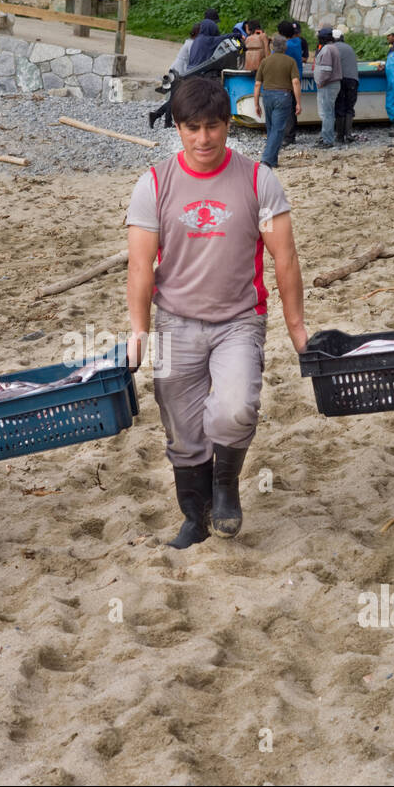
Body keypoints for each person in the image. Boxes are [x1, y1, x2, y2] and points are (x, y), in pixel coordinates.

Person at [124, 77, 309, 548]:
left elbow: (284, 257)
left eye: (212, 126)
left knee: (236, 409)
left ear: (230, 125)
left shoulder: (257, 179)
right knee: (183, 432)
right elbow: (141, 265)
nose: (203, 138)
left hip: (238, 321)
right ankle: (195, 516)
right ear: (178, 128)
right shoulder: (154, 184)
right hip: (174, 322)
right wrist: (139, 331)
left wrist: (298, 329)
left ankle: (226, 486)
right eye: (192, 127)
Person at [253, 36, 302, 169]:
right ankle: (266, 159)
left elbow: (258, 84)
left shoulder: (265, 61)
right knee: (278, 129)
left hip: (267, 95)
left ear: (273, 47)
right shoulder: (290, 61)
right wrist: (298, 102)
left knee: (270, 128)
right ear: (285, 47)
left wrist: (256, 103)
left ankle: (272, 161)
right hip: (283, 95)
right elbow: (295, 82)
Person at [313, 25, 342, 149]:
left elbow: (326, 70)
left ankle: (327, 140)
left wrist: (320, 82)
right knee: (328, 113)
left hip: (327, 85)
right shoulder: (333, 48)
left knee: (327, 114)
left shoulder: (326, 50)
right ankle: (326, 137)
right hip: (333, 84)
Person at [332, 26, 362, 143]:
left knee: (340, 107)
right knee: (349, 107)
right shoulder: (349, 48)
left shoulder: (331, 48)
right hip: (353, 80)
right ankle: (348, 134)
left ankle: (340, 136)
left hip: (339, 80)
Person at [279, 21, 306, 145]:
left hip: (287, 79)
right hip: (297, 76)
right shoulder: (297, 42)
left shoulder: (286, 46)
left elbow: (273, 57)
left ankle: (288, 137)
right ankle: (290, 135)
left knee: (288, 108)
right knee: (292, 107)